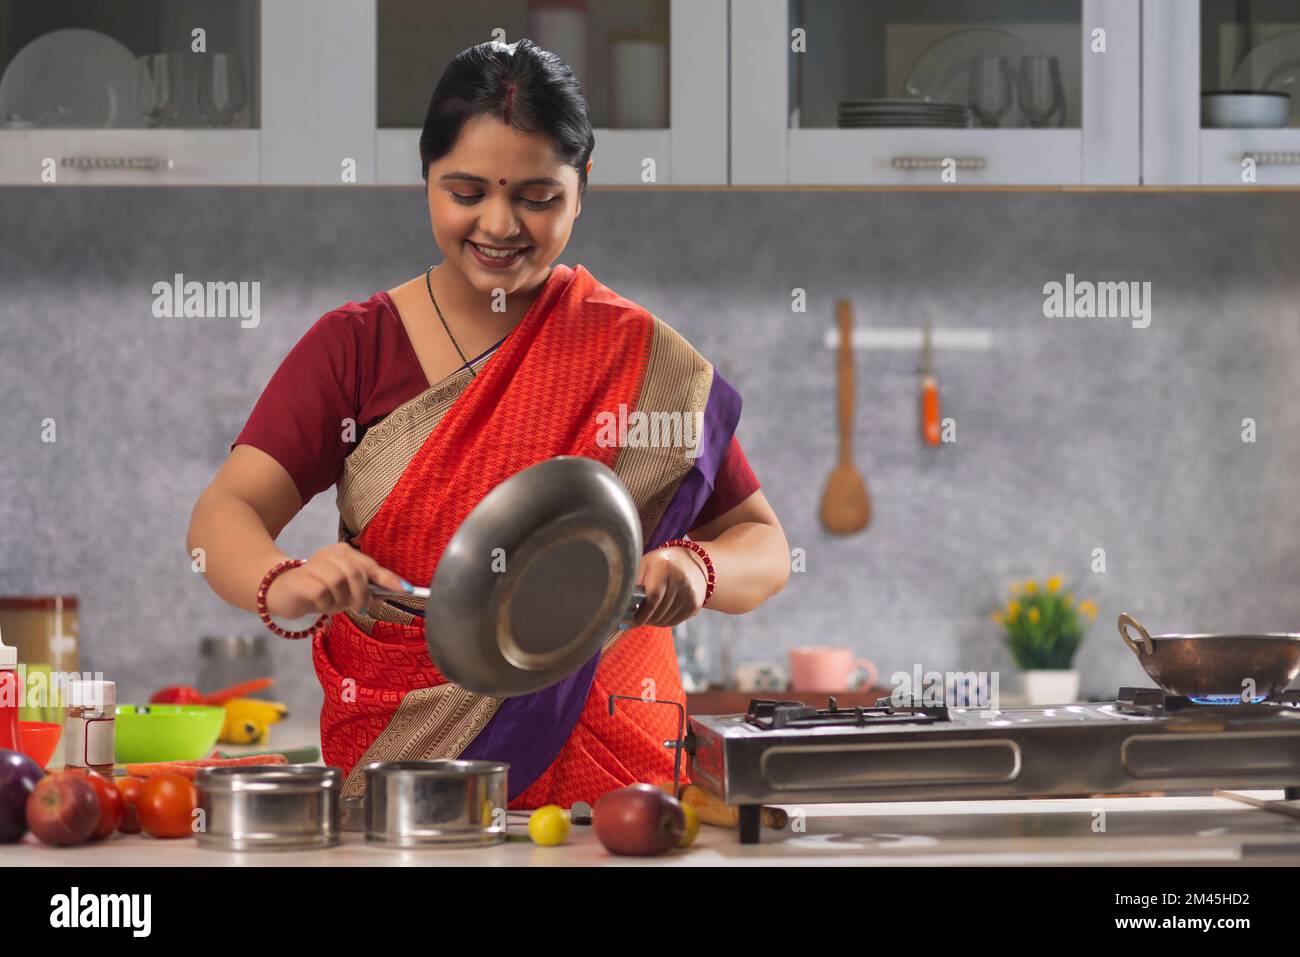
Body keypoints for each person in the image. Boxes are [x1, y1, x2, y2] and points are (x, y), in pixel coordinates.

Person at [186, 38, 790, 808]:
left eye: (536, 195)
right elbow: (221, 515)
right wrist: (286, 581)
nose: (498, 224)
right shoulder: (358, 347)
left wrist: (698, 571)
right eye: (465, 191)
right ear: (426, 181)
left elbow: (764, 543)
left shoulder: (638, 358)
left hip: (620, 797)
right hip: (406, 785)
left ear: (583, 185)